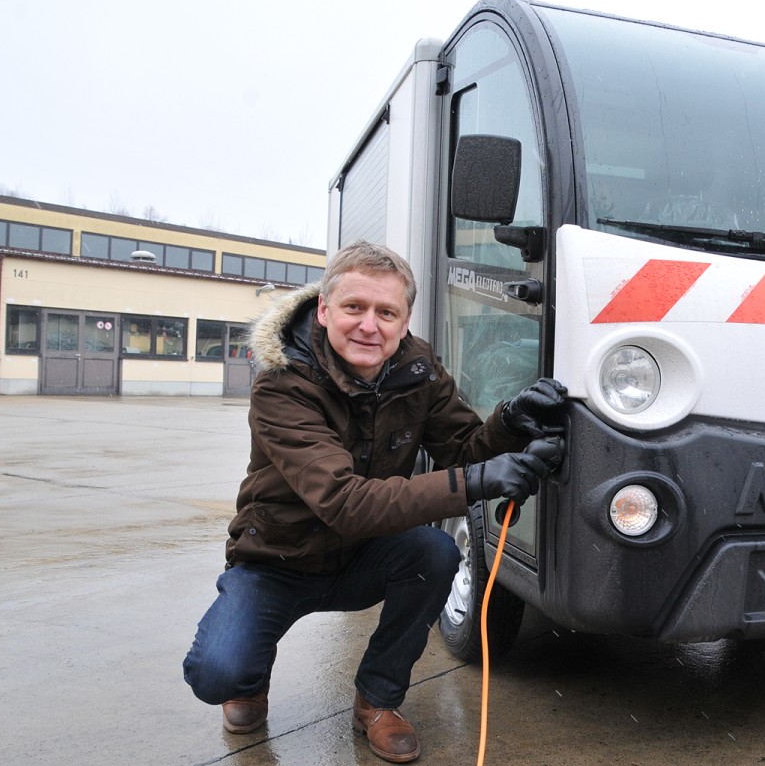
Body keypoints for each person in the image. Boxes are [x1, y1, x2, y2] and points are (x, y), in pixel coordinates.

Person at [183, 241, 566, 764]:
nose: (369, 325)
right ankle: (248, 681)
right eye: (354, 307)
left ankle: (378, 700)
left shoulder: (418, 370)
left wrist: (509, 422)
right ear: (324, 310)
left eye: (386, 312)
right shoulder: (281, 385)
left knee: (433, 553)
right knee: (217, 674)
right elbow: (343, 501)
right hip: (278, 561)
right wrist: (477, 480)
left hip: (364, 555)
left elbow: (461, 450)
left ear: (405, 322)